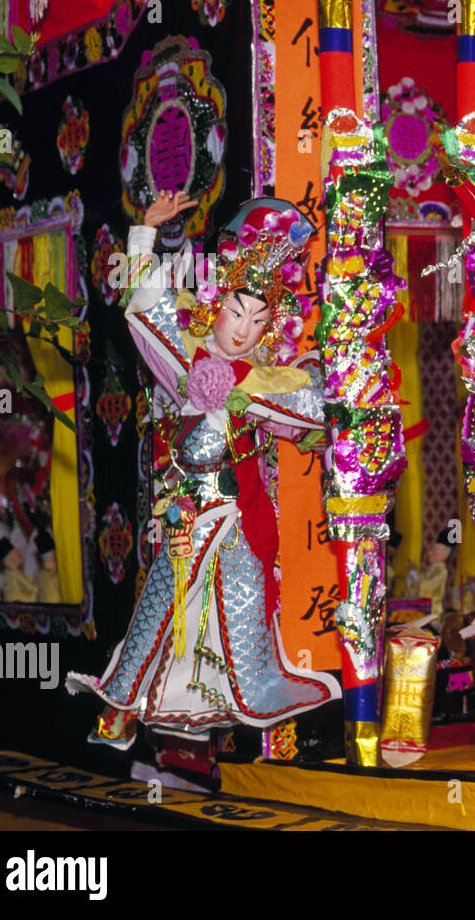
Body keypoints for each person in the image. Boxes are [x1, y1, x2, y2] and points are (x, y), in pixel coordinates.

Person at [67, 191, 340, 753]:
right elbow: (146, 303)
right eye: (237, 312)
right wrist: (145, 231)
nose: (243, 330)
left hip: (237, 519)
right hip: (183, 513)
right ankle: (120, 709)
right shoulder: (185, 353)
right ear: (217, 304)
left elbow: (314, 412)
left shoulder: (270, 381)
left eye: (259, 320)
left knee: (242, 627)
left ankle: (261, 719)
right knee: (157, 616)